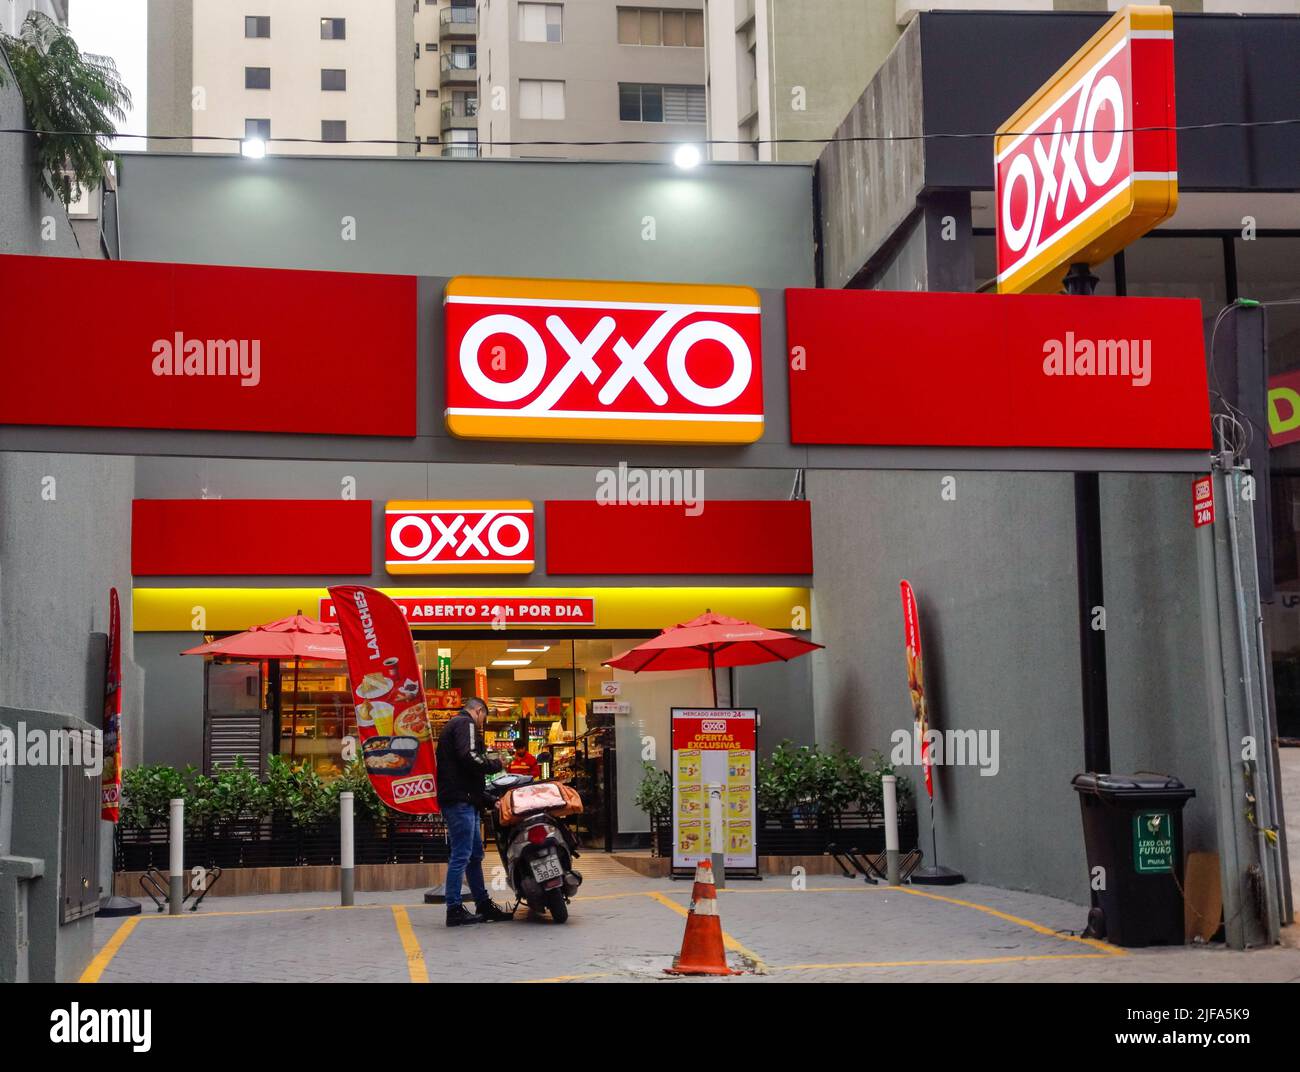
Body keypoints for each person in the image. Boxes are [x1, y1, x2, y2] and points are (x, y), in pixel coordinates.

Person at [435, 697, 514, 927]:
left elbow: (466, 775)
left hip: (465, 799)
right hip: (460, 802)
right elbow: (469, 757)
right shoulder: (464, 723)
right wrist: (495, 765)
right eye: (483, 719)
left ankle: (483, 904)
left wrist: (489, 799)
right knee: (461, 855)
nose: (481, 724)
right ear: (478, 711)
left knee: (474, 856)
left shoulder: (455, 726)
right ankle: (454, 909)